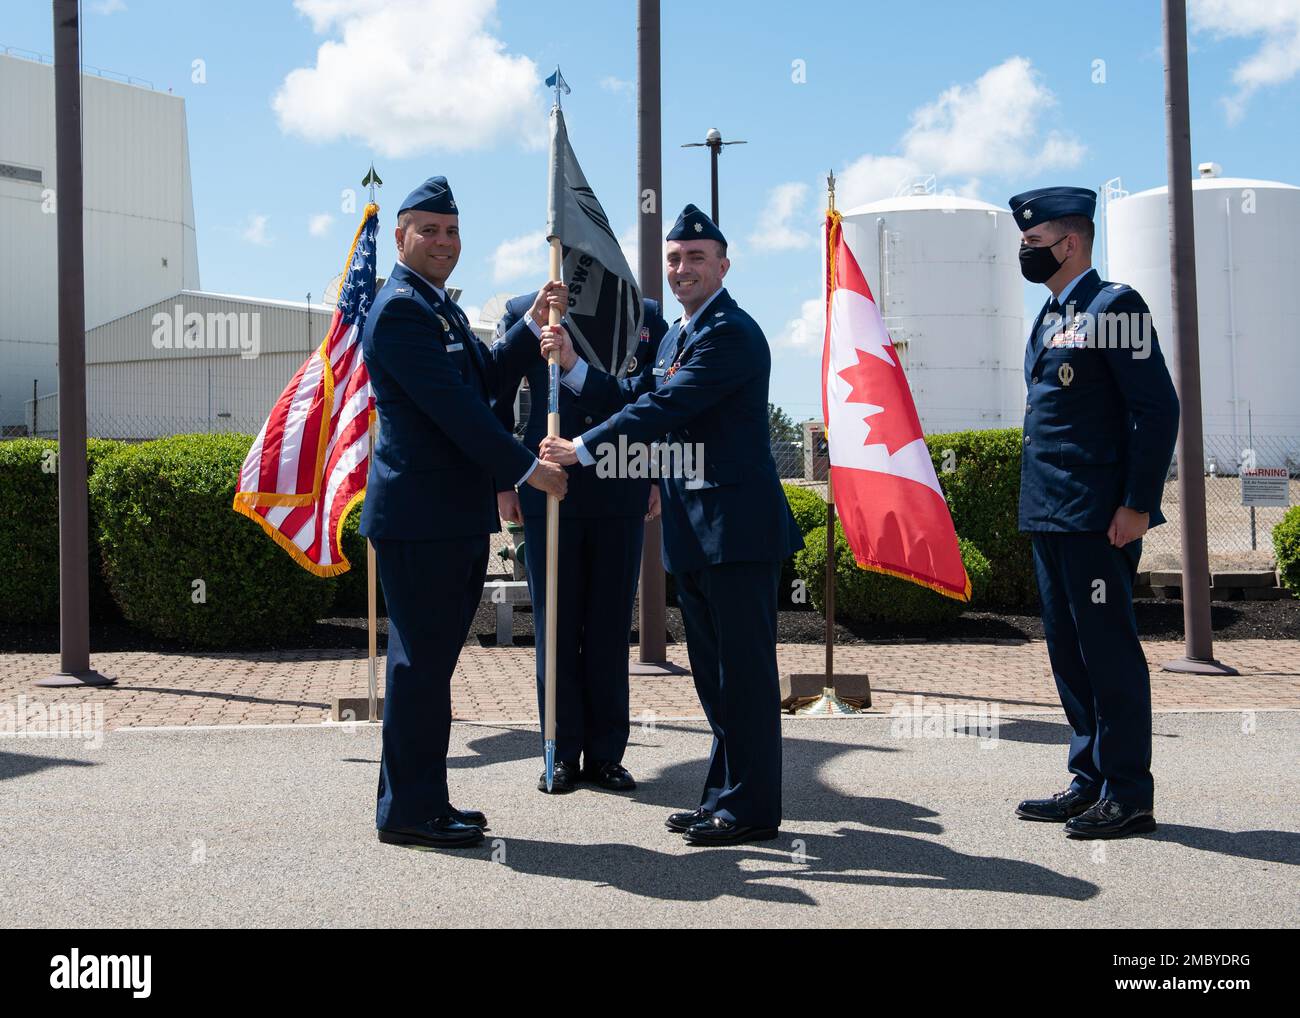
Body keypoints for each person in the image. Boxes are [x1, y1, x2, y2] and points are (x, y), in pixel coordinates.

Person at [539, 204, 803, 847]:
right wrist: (575, 366)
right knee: (716, 678)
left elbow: (666, 405)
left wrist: (585, 446)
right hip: (697, 531)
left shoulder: (730, 333)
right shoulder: (685, 335)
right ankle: (724, 798)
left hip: (736, 531)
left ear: (723, 264)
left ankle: (752, 808)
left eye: (696, 258)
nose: (682, 269)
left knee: (743, 675)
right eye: (675, 259)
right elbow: (638, 398)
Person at [359, 176, 568, 850]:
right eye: (429, 230)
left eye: (451, 231)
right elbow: (457, 414)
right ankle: (411, 811)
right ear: (401, 237)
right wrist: (526, 467)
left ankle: (418, 800)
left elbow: (485, 379)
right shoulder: (399, 312)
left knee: (429, 664)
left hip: (447, 516)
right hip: (421, 519)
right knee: (420, 666)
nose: (443, 242)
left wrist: (532, 324)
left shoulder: (438, 309)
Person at [1008, 185, 1179, 839]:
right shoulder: (1051, 316)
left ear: (1070, 242)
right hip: (1050, 514)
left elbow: (1157, 409)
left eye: (1033, 243)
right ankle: (1090, 780)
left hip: (1096, 515)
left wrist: (1137, 504)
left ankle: (1130, 791)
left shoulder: (1116, 306)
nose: (1026, 253)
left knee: (1108, 652)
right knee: (1070, 653)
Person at [493, 287, 669, 794]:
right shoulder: (523, 311)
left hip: (620, 481)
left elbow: (650, 398)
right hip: (548, 481)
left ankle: (606, 754)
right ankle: (561, 750)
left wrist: (653, 472)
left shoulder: (642, 313)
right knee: (555, 623)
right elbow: (499, 393)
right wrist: (505, 478)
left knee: (611, 624)